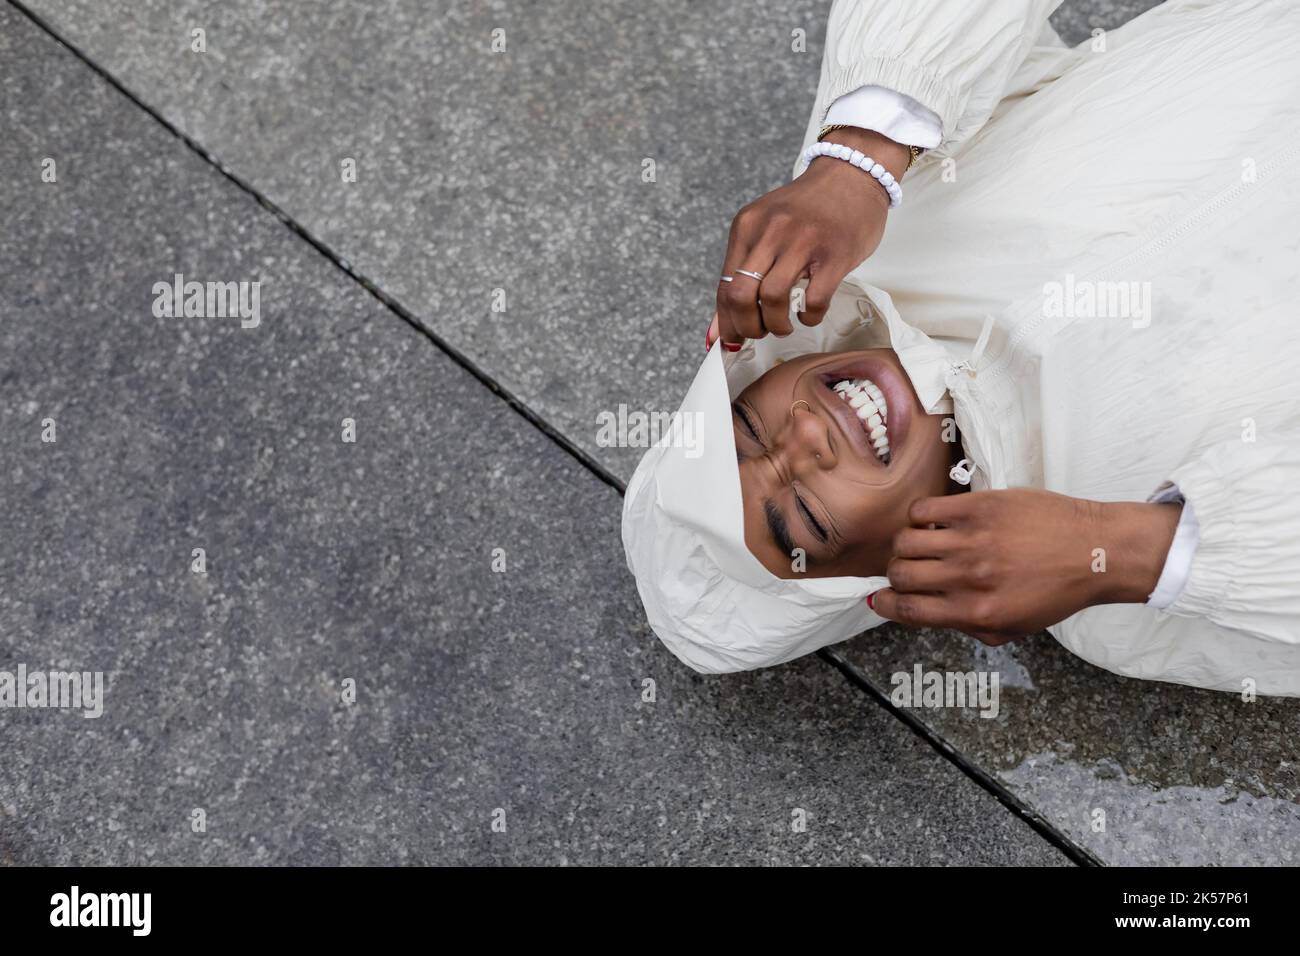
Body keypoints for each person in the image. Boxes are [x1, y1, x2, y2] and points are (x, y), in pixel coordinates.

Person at [622, 0, 1300, 696]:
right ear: (894, 570)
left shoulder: (864, 227)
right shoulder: (1113, 602)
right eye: (809, 515)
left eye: (750, 427)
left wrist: (859, 157)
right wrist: (1134, 551)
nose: (803, 436)